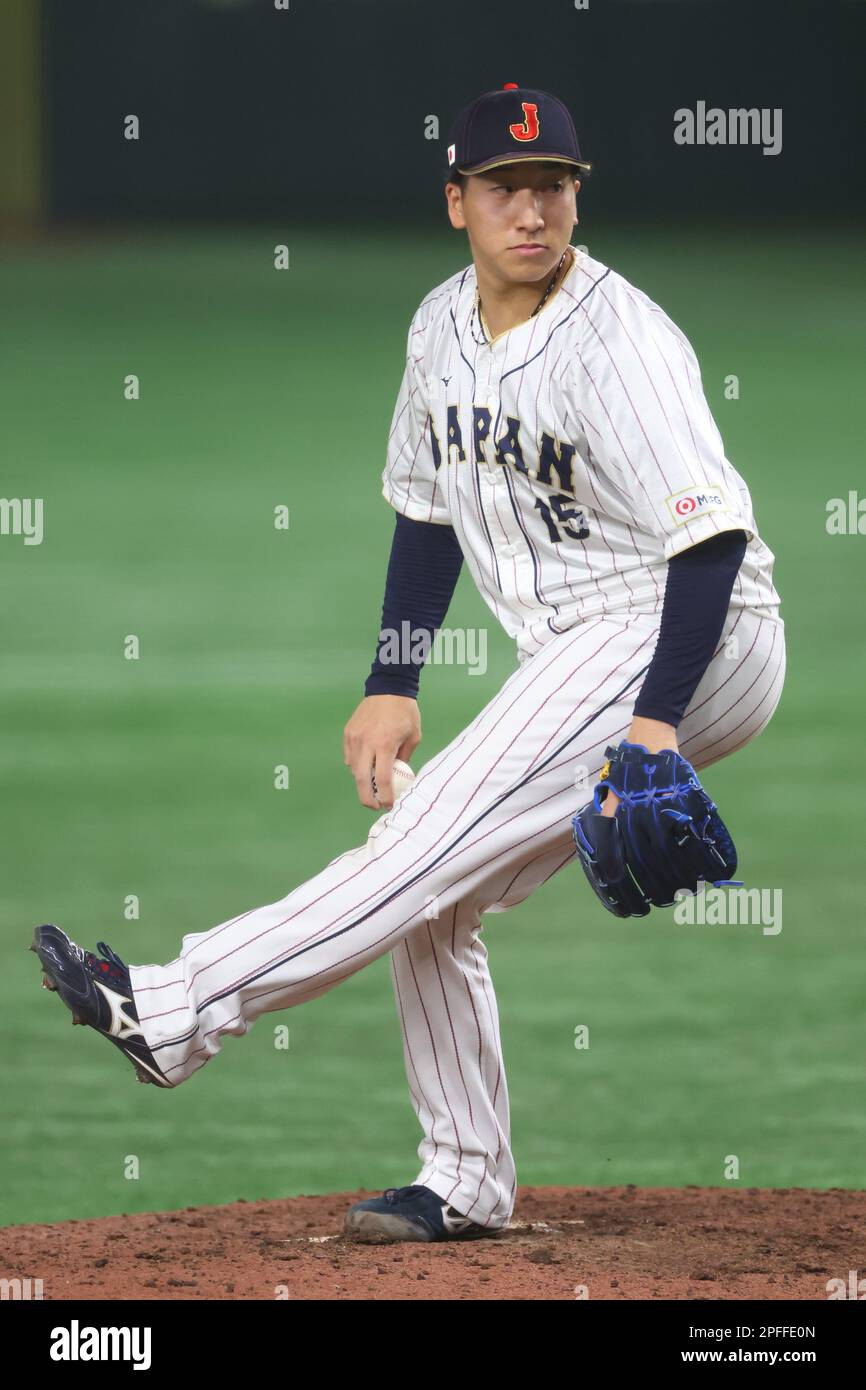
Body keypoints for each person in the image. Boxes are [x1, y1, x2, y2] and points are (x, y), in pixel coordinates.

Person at [30, 83, 785, 1246]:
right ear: (457, 203)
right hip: (580, 649)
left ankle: (174, 1004)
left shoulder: (619, 338)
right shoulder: (437, 327)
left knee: (417, 848)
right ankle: (465, 1180)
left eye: (553, 188)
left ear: (576, 199)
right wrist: (394, 679)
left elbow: (707, 538)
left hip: (693, 630)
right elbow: (425, 514)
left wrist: (652, 725)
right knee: (439, 892)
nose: (531, 210)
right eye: (504, 189)